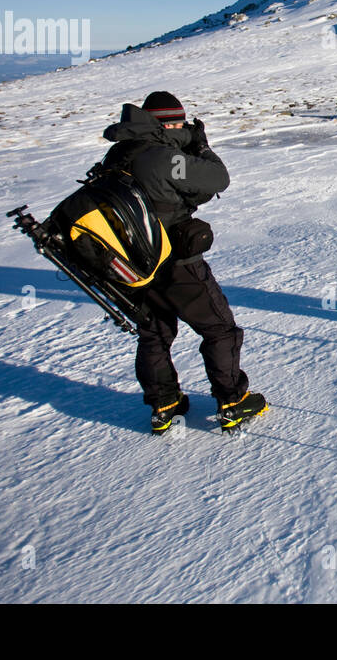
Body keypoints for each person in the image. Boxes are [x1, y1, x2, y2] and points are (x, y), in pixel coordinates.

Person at [100, 91, 267, 433]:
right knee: (220, 328)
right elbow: (217, 178)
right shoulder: (161, 156)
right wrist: (202, 148)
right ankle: (232, 401)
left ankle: (164, 405)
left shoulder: (119, 154)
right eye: (175, 122)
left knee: (155, 334)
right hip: (175, 262)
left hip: (134, 264)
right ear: (159, 124)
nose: (181, 126)